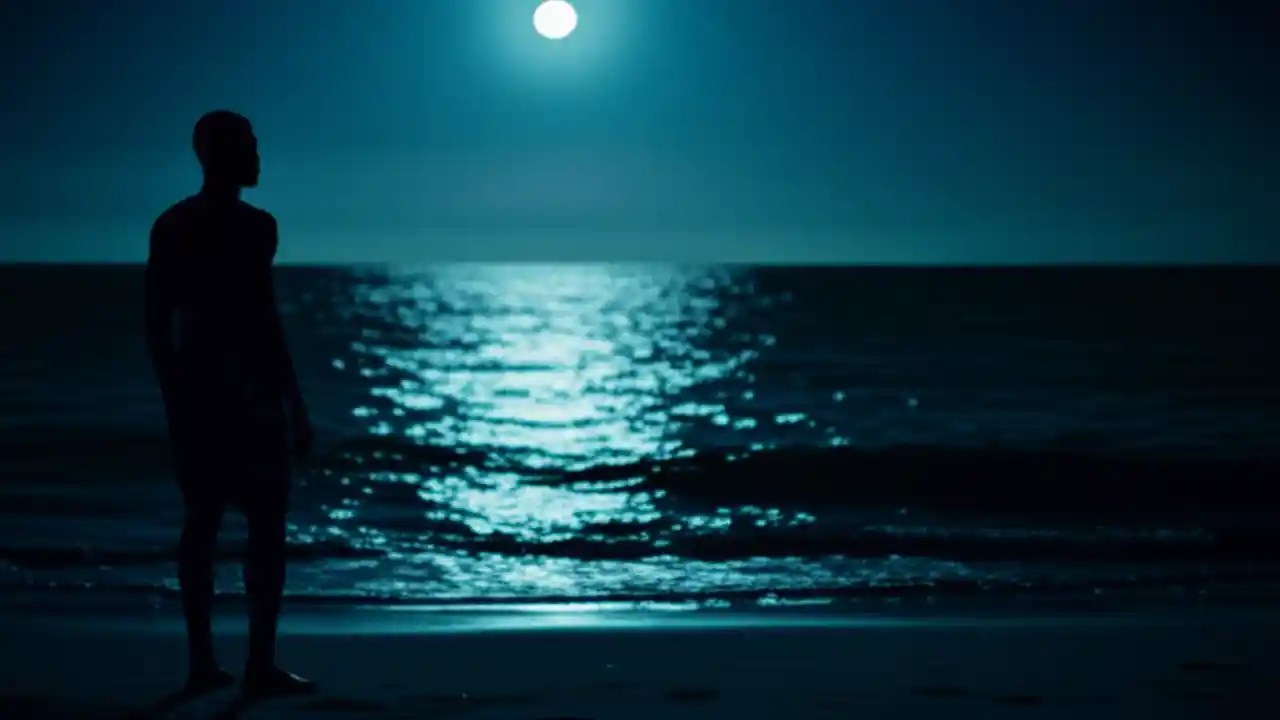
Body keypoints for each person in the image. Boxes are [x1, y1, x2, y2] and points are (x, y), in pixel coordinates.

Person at [145, 110, 316, 698]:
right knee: (219, 526)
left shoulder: (252, 226)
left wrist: (293, 403)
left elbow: (262, 318)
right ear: (223, 154)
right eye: (249, 146)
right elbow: (159, 321)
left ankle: (243, 664)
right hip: (216, 396)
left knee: (246, 527)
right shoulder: (182, 225)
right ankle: (222, 664)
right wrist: (178, 397)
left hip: (238, 395)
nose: (258, 157)